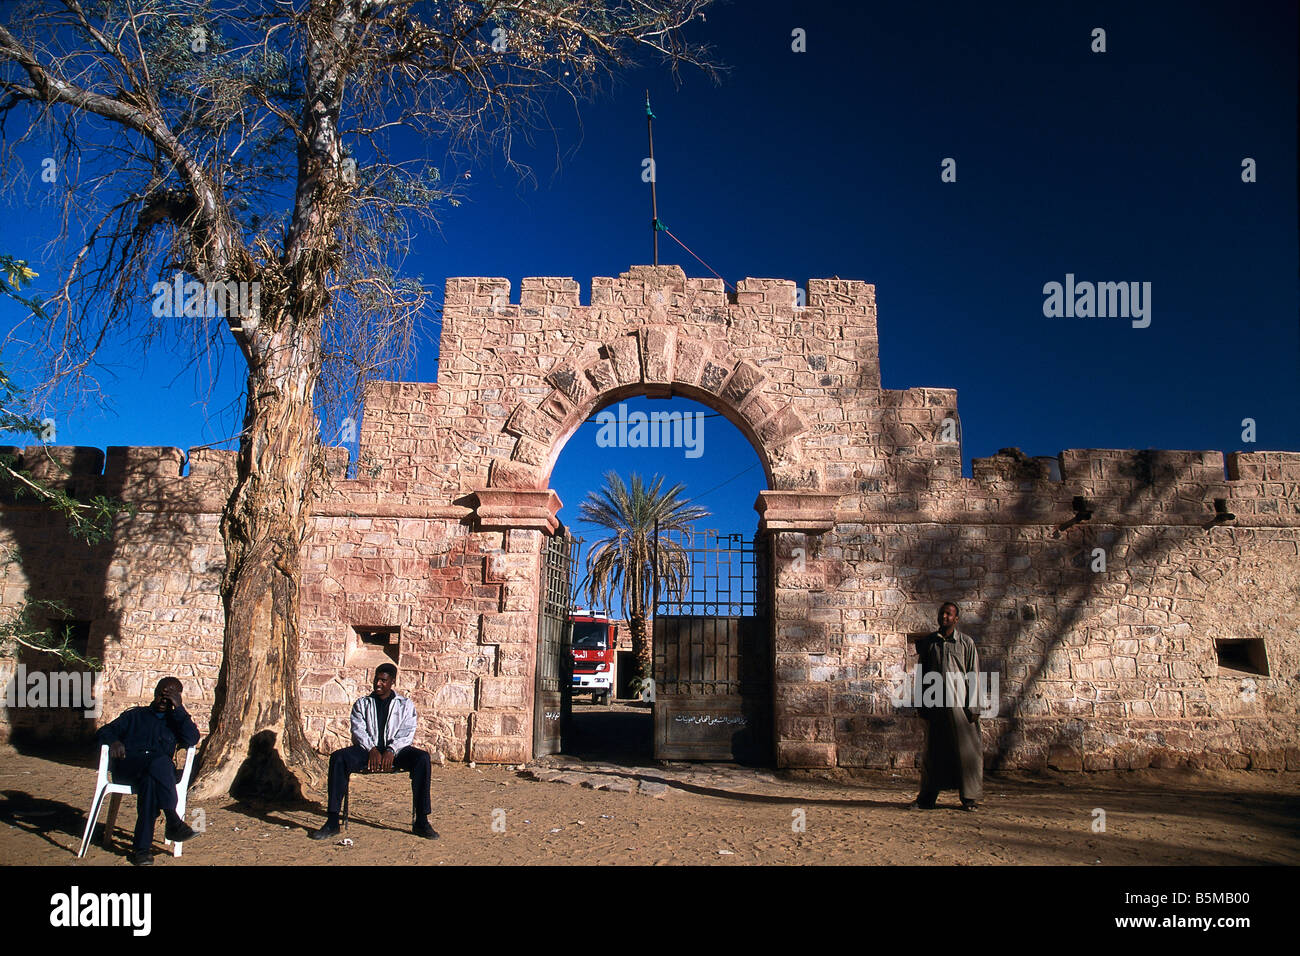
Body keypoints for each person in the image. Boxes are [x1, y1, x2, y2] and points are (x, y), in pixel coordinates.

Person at [310, 663, 438, 840]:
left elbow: (407, 731)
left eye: (383, 680)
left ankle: (422, 821)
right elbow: (358, 729)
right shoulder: (362, 704)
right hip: (367, 752)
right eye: (376, 679)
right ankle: (332, 821)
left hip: (396, 752)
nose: (378, 683)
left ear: (392, 682)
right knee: (339, 758)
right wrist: (371, 749)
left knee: (422, 759)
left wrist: (392, 750)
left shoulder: (404, 705)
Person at [95, 676, 201, 865]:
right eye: (162, 694)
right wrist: (114, 741)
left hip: (154, 777)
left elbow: (192, 738)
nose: (163, 700)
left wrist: (180, 710)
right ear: (155, 693)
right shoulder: (135, 715)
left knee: (151, 782)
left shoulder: (175, 721)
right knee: (160, 762)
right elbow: (104, 731)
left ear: (176, 699)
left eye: (170, 697)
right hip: (130, 768)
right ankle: (172, 820)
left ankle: (141, 850)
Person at [909, 602, 984, 811]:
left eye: (949, 614)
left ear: (956, 619)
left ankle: (969, 799)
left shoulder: (966, 643)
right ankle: (927, 799)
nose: (944, 617)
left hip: (961, 706)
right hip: (935, 705)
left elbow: (974, 674)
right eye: (942, 613)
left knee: (967, 751)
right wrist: (922, 704)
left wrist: (974, 706)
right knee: (933, 753)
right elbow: (922, 676)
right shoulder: (930, 643)